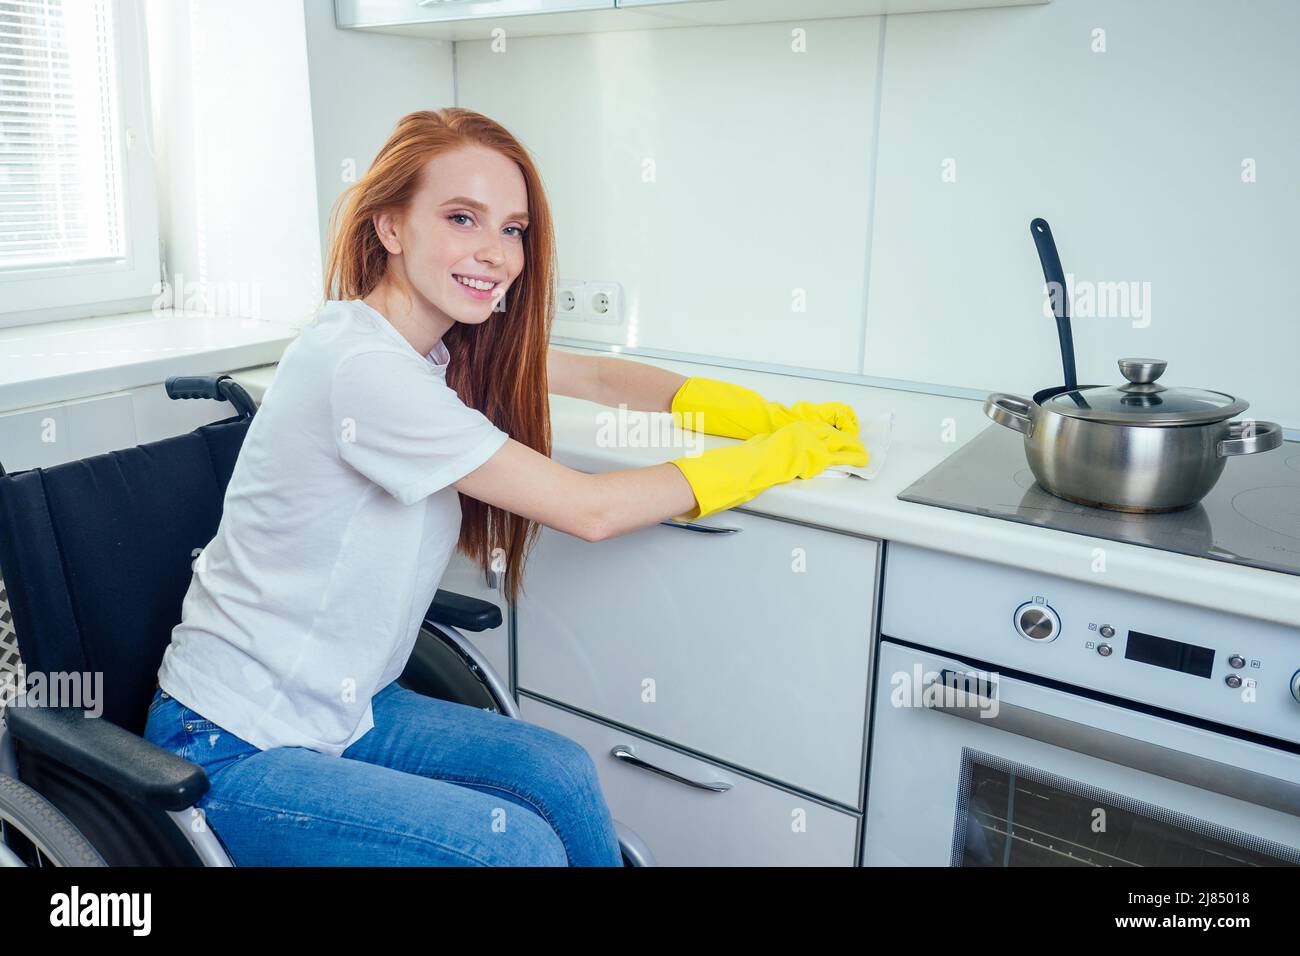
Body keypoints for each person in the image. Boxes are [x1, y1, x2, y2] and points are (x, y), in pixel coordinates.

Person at [144, 107, 868, 866]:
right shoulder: (362, 369)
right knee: (512, 848)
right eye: (463, 218)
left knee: (557, 771)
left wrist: (751, 413)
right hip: (234, 745)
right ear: (390, 227)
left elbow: (590, 373)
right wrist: (775, 459)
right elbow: (591, 510)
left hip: (349, 707)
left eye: (513, 229)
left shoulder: (435, 346)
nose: (495, 253)